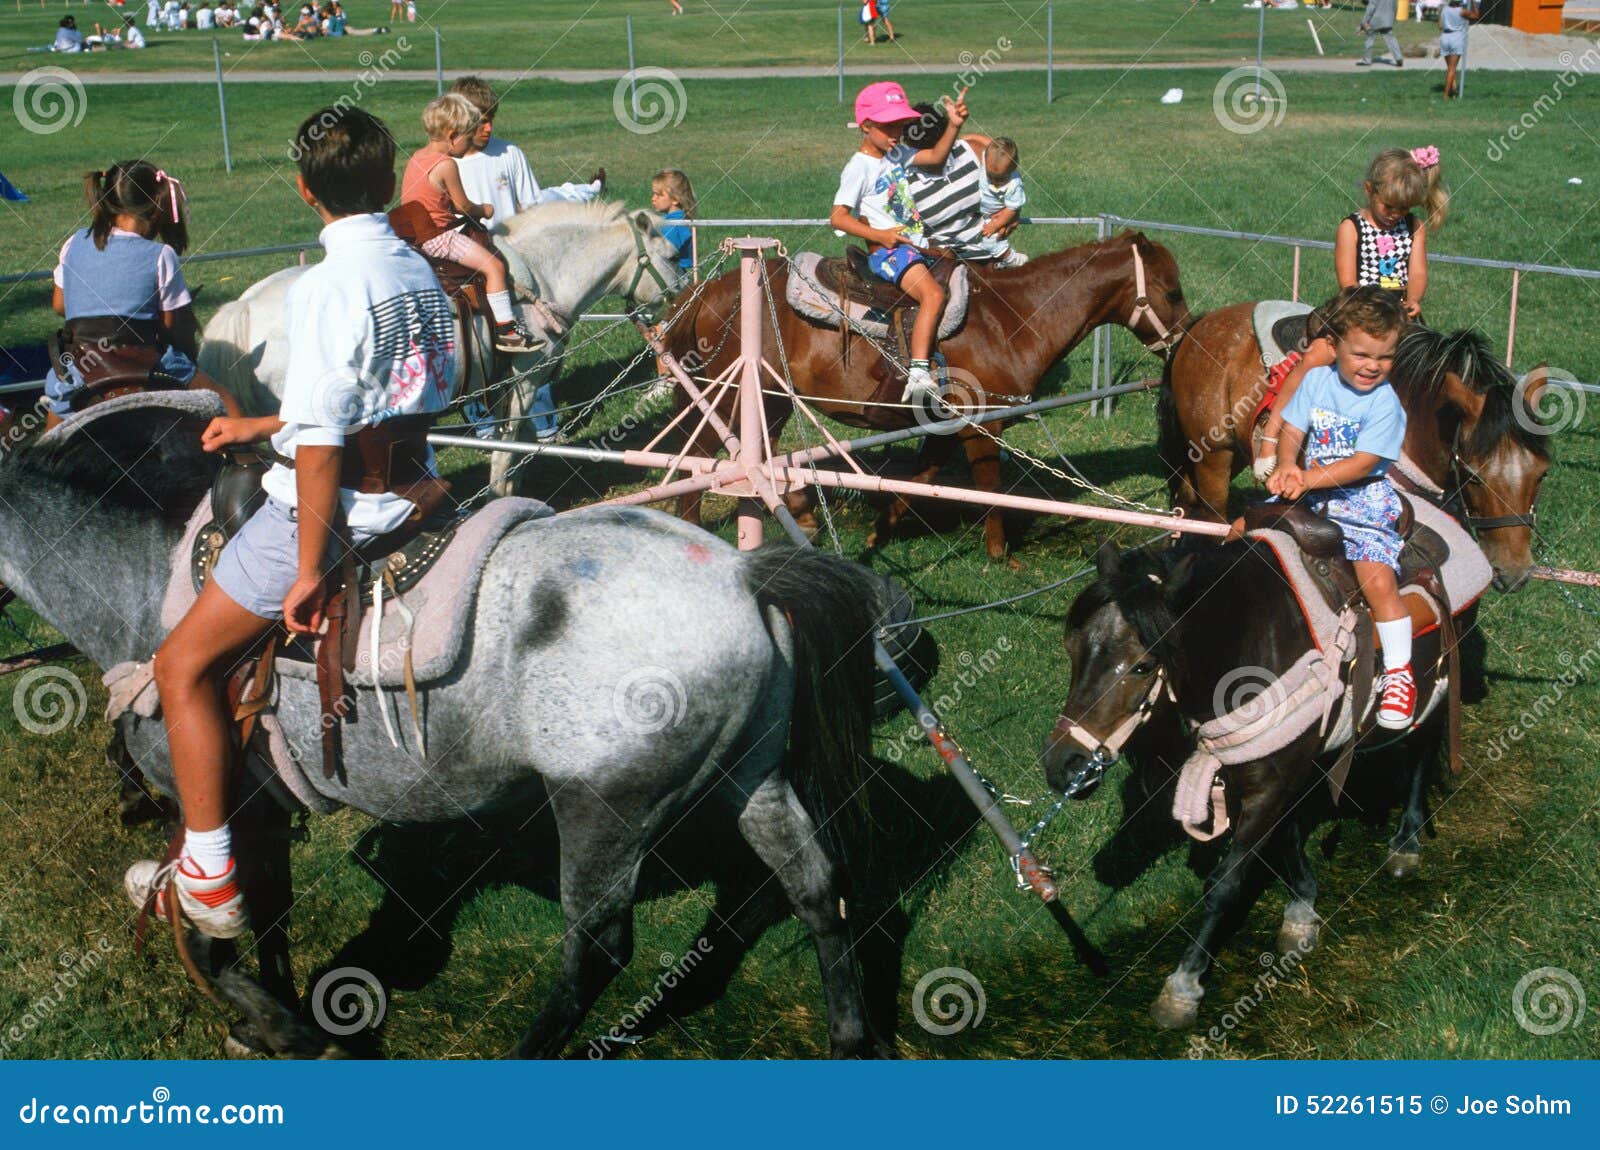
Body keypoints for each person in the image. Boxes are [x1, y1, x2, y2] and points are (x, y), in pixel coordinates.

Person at [123, 107, 459, 939]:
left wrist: (309, 568)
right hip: (419, 487)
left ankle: (207, 871)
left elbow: (322, 443)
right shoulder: (419, 271)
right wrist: (258, 425)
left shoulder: (324, 288)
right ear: (389, 184)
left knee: (179, 665)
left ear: (306, 193)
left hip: (343, 511)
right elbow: (380, 399)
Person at [1263, 287, 1415, 730]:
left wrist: (1305, 478)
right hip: (1309, 490)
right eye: (1362, 354)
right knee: (1248, 528)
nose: (1372, 366)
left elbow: (1363, 463)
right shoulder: (1316, 381)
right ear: (1337, 344)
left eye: (1384, 357)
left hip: (1359, 498)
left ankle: (1401, 673)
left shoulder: (1385, 403)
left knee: (1376, 576)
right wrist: (1287, 464)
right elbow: (1293, 428)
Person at [1254, 145, 1446, 475]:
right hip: (1357, 310)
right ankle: (1272, 433)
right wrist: (1375, 311)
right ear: (1370, 190)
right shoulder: (1352, 227)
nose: (1395, 214)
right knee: (1314, 357)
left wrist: (1414, 297)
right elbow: (1348, 283)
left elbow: (1417, 271)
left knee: (1430, 370)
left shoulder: (1414, 227)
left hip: (1399, 316)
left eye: (1403, 208)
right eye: (1389, 206)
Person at [44, 162, 216, 418]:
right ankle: (243, 453)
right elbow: (173, 331)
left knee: (50, 443)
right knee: (224, 404)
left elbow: (59, 305)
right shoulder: (161, 255)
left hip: (78, 370)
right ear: (156, 210)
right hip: (145, 364)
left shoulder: (73, 243)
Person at [831, 81, 968, 402]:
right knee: (933, 294)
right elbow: (838, 217)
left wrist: (954, 127)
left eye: (900, 125)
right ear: (866, 126)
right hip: (890, 253)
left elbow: (935, 157)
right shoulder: (859, 168)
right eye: (888, 126)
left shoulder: (896, 154)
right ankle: (918, 372)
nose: (896, 133)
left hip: (914, 246)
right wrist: (880, 236)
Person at [403, 93, 535, 351]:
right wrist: (484, 210)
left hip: (414, 235)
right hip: (439, 238)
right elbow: (464, 206)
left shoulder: (416, 157)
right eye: (468, 135)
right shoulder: (446, 164)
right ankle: (506, 331)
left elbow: (428, 199)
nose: (471, 141)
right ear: (452, 136)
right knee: (494, 266)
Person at [449, 75, 605, 233]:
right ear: (460, 119)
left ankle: (590, 189)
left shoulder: (509, 152)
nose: (489, 128)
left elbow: (533, 207)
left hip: (509, 250)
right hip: (463, 252)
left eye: (491, 120)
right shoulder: (442, 163)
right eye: (482, 122)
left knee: (553, 197)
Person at [977, 136, 1028, 267]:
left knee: (990, 240)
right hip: (976, 210)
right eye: (991, 176)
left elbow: (1012, 209)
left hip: (994, 215)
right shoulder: (986, 157)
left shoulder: (1013, 185)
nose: (995, 181)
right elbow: (977, 140)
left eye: (1000, 179)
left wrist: (995, 225)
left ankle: (1011, 258)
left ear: (1014, 167)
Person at [651, 169, 696, 277]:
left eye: (659, 195)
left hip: (672, 279)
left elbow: (657, 253)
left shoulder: (675, 226)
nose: (653, 199)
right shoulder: (673, 222)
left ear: (675, 200)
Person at [1439, 0, 1477, 99]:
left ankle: (1454, 89)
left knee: (1450, 68)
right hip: (1456, 38)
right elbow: (1476, 15)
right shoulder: (1462, 11)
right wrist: (1473, 2)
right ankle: (1446, 95)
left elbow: (1440, 26)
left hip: (1444, 37)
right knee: (1452, 68)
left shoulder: (1444, 9)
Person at [1357, 0, 1403, 67]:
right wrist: (1392, 19)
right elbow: (1395, 7)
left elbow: (1371, 9)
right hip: (1388, 20)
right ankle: (1398, 58)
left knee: (1369, 38)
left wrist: (1363, 22)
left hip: (1375, 20)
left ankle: (1367, 60)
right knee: (1391, 39)